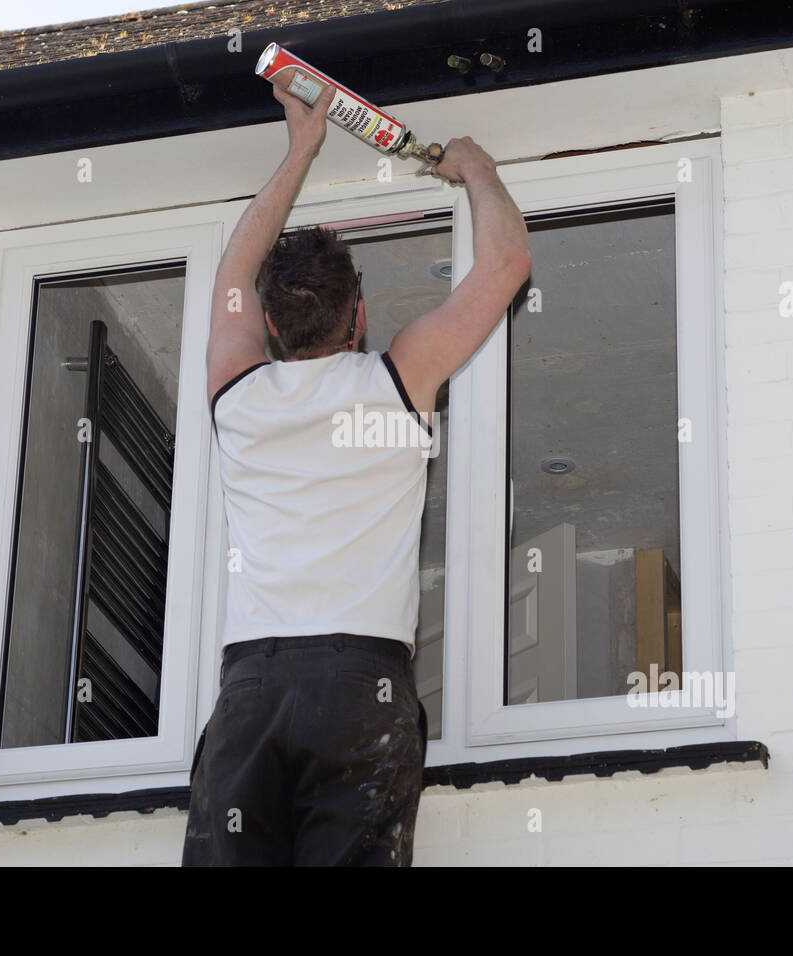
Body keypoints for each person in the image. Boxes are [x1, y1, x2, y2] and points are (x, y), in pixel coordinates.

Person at [182, 81, 531, 866]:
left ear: (270, 325)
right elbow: (508, 262)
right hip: (358, 690)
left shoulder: (237, 391)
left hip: (252, 694)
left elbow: (237, 260)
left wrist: (301, 148)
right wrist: (475, 170)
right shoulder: (397, 382)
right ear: (360, 314)